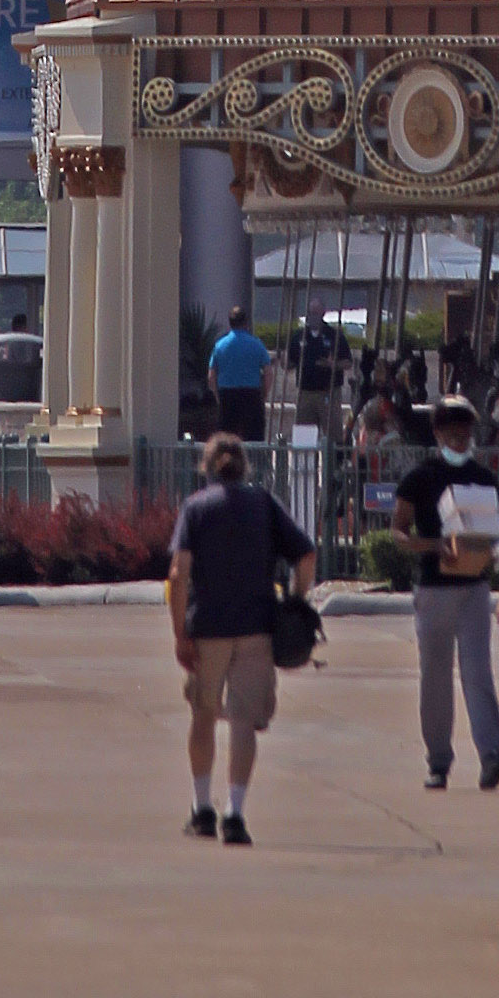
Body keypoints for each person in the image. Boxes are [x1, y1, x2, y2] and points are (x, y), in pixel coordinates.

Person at [166, 428, 314, 846]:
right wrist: (298, 602)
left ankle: (202, 808)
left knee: (203, 714)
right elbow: (305, 555)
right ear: (245, 466)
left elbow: (178, 575)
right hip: (256, 626)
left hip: (208, 627)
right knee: (244, 722)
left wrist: (180, 633)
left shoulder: (196, 508)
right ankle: (235, 813)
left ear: (206, 468)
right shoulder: (264, 504)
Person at [394, 397, 499, 794]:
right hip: (434, 588)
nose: (461, 441)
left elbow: (496, 526)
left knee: (478, 673)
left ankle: (492, 755)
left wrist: (497, 557)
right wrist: (432, 546)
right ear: (438, 434)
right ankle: (439, 761)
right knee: (436, 678)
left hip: (474, 588)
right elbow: (398, 531)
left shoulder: (482, 477)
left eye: (466, 434)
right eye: (453, 434)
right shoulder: (420, 477)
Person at [207, 300, 270, 441]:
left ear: (230, 323)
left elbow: (211, 376)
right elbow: (268, 373)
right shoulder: (257, 345)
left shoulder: (220, 346)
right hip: (251, 395)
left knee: (226, 442)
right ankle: (255, 463)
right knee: (254, 441)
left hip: (227, 395)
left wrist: (218, 397)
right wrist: (263, 395)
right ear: (246, 323)